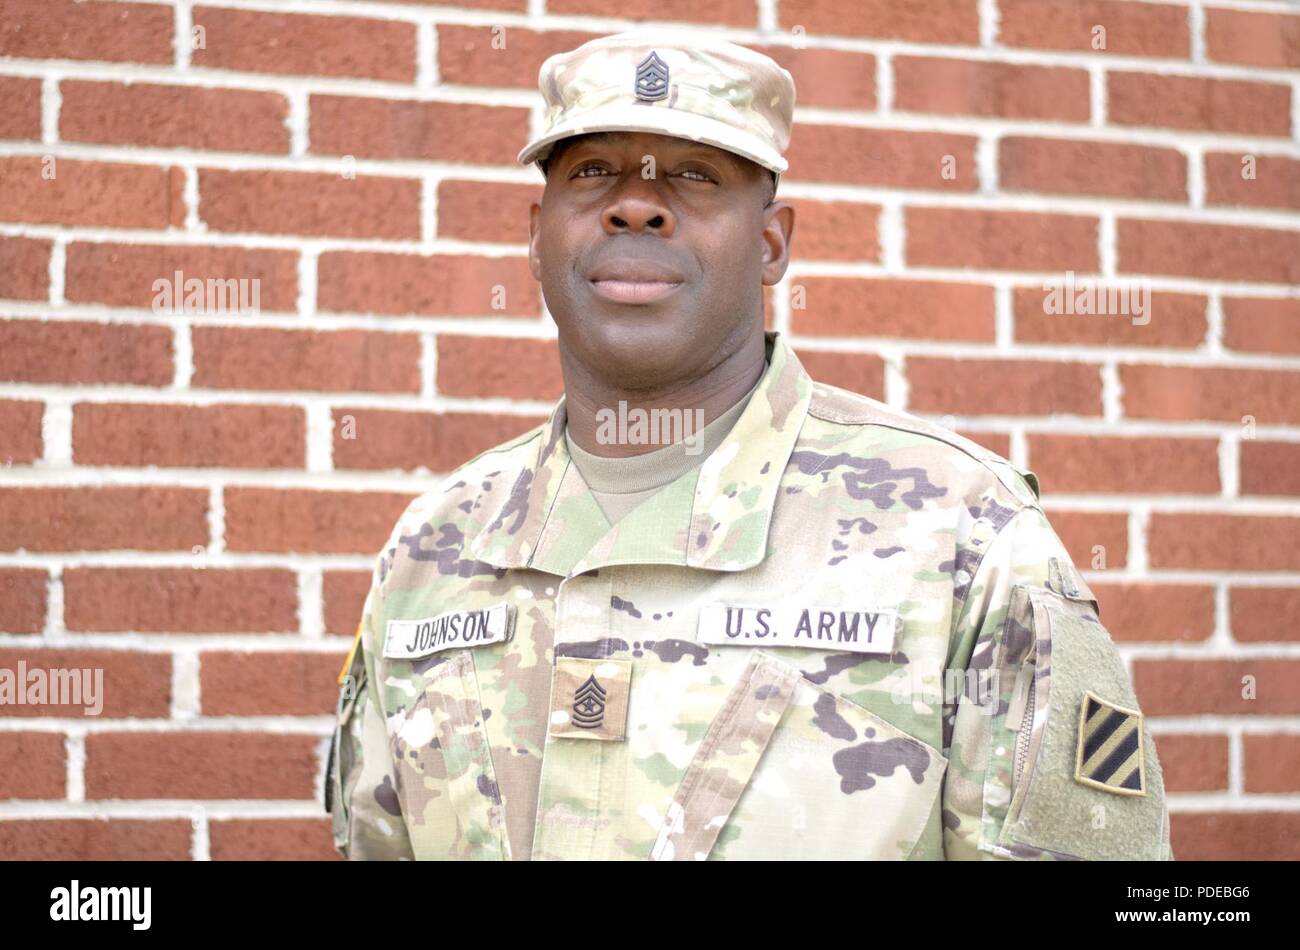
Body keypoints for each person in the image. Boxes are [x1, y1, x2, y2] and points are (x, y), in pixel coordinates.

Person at [325, 29, 1173, 861]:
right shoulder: (433, 548)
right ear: (537, 237)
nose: (637, 203)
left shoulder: (962, 534)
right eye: (593, 171)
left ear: (772, 245)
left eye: (695, 175)